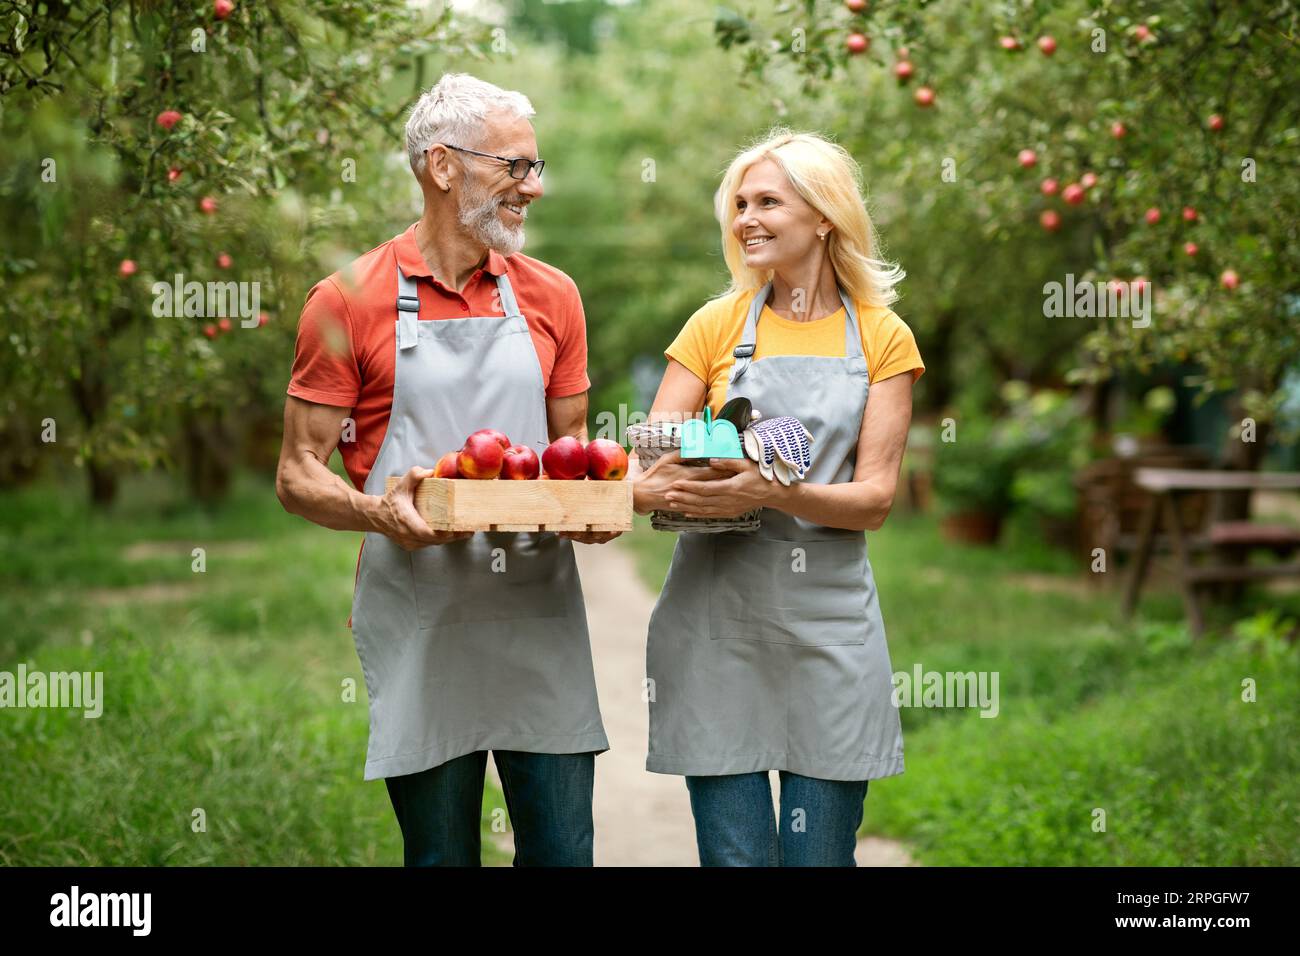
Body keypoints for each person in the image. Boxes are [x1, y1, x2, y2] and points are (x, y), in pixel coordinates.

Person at [275, 73, 618, 867]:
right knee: (439, 860)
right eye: (516, 167)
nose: (534, 187)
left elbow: (574, 461)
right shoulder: (346, 300)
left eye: (536, 167)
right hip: (420, 611)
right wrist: (377, 513)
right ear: (443, 166)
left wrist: (600, 508)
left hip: (537, 609)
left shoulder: (553, 297)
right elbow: (297, 473)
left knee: (564, 853)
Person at [630, 129, 924, 867]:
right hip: (714, 624)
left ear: (824, 215)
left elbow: (875, 499)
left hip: (828, 629)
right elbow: (654, 456)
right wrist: (685, 457)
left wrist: (778, 490)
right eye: (739, 204)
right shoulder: (716, 325)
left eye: (767, 201)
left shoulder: (883, 338)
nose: (745, 219)